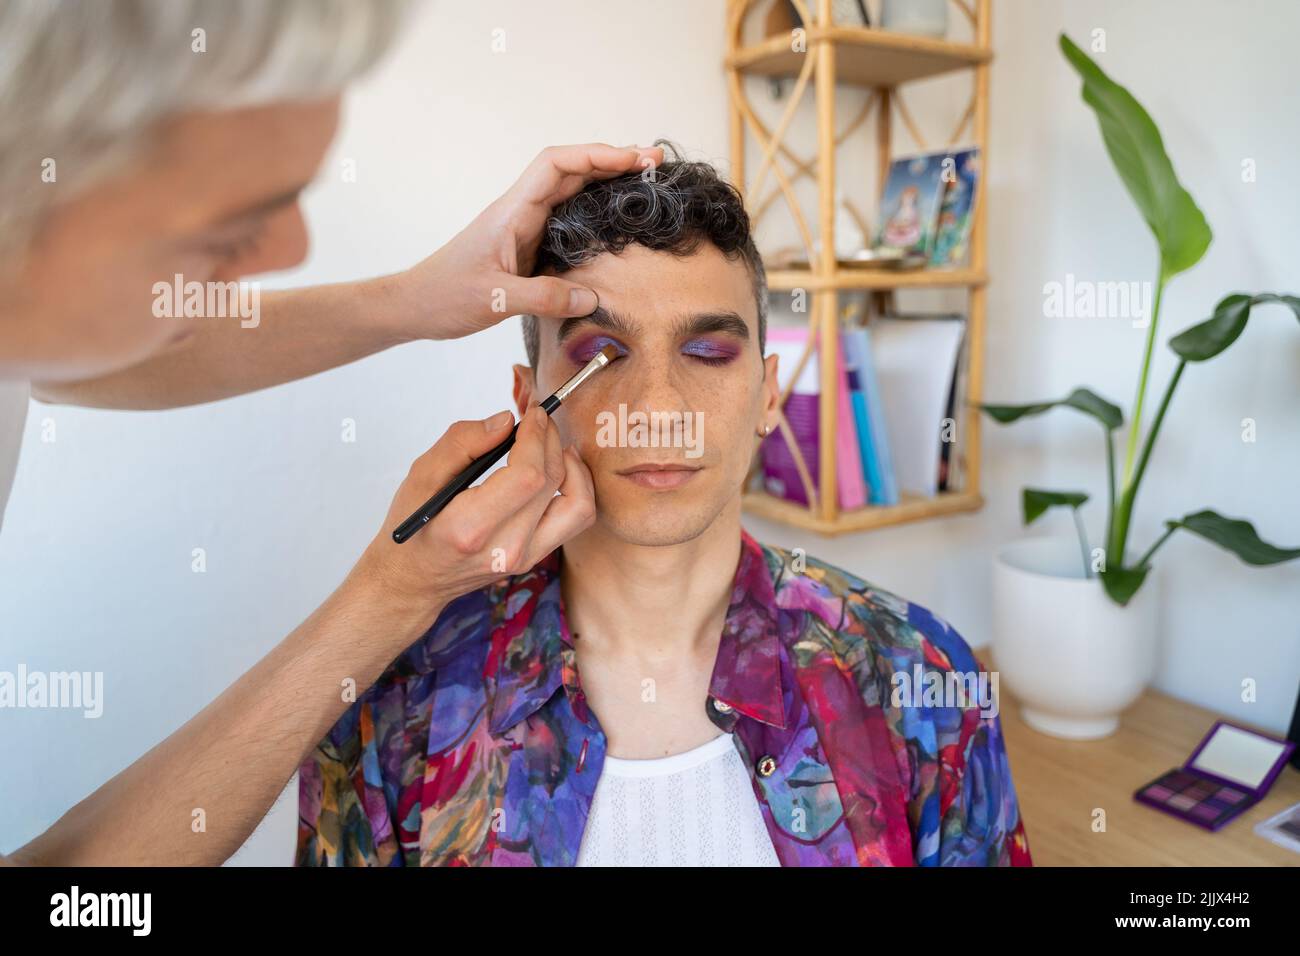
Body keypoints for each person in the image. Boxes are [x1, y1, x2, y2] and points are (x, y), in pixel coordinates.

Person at [0, 0, 663, 865]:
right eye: (233, 222)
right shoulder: (412, 716)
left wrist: (411, 299)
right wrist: (386, 600)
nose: (293, 247)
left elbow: (90, 340)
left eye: (712, 350)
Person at [296, 149, 1034, 867]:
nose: (656, 410)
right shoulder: (396, 705)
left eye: (708, 353)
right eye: (600, 355)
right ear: (530, 403)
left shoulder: (920, 676)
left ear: (768, 395)